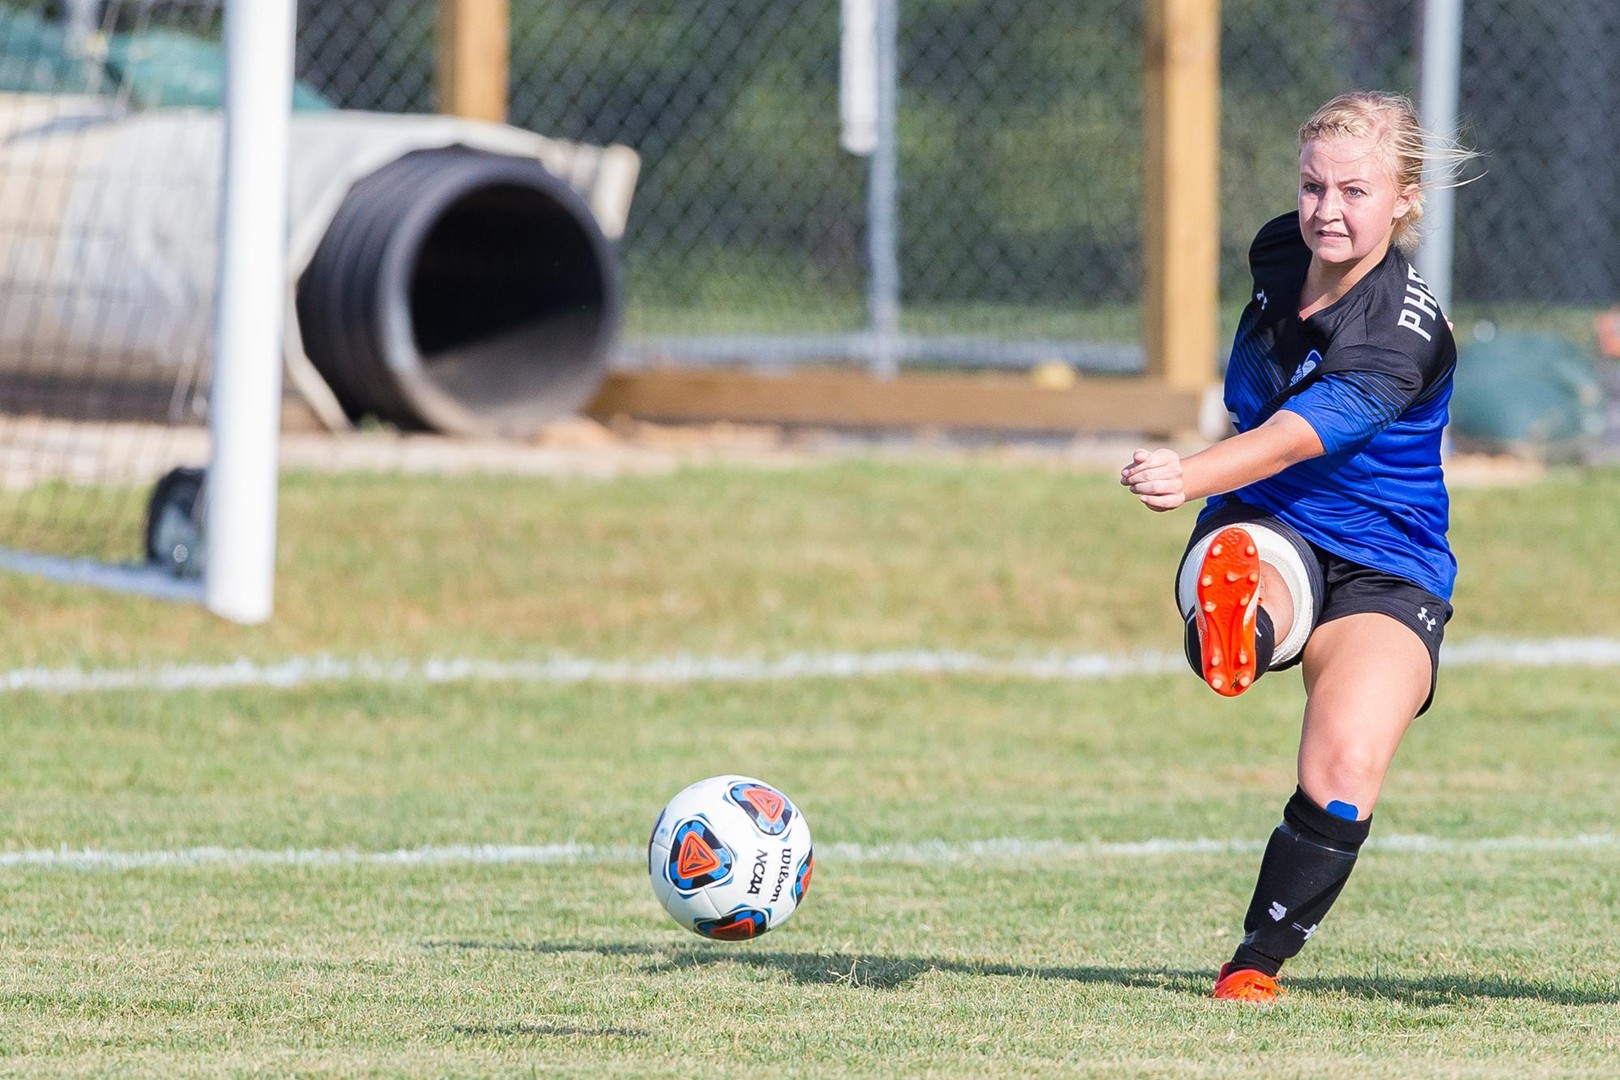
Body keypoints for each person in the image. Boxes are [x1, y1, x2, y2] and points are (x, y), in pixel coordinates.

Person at [1120, 91, 1475, 1003]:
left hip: (1389, 560)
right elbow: (1268, 445)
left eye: (1355, 191)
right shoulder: (1281, 248)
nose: (1327, 210)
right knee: (1259, 585)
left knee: (1346, 766)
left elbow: (1298, 432)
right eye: (1313, 185)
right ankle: (1238, 623)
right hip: (1267, 520)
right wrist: (1213, 490)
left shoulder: (1404, 333)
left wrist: (1186, 471)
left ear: (1403, 200)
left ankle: (1253, 967)